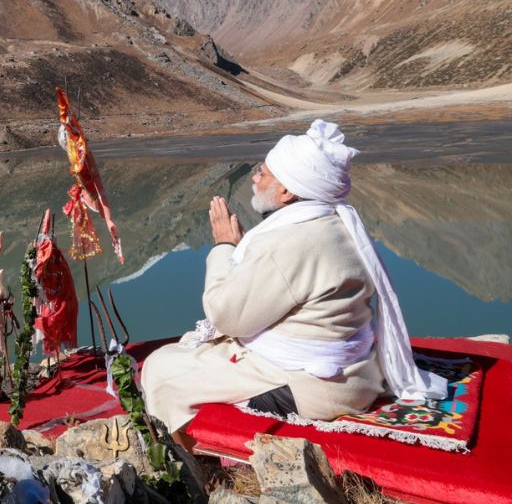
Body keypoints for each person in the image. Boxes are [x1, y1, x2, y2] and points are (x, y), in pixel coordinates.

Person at [140, 119, 446, 449]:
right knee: (191, 346)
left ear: (287, 191)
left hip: (311, 387)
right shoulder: (337, 222)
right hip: (358, 375)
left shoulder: (290, 242)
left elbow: (224, 316)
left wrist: (223, 246)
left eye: (264, 173)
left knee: (161, 369)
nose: (254, 178)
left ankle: (181, 460)